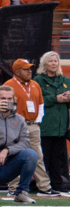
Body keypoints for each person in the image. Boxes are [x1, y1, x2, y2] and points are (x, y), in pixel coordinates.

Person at [1, 57, 57, 196]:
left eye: (30, 69)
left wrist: (37, 121)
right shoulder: (9, 86)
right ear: (17, 71)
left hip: (33, 125)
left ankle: (44, 187)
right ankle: (13, 188)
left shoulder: (35, 84)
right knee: (15, 156)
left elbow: (40, 104)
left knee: (38, 156)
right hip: (16, 126)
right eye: (26, 69)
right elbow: (6, 108)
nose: (29, 71)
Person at [35, 51, 70, 193]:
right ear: (44, 63)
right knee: (44, 158)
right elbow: (39, 99)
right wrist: (56, 98)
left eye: (56, 61)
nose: (54, 63)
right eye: (51, 61)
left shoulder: (65, 80)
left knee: (58, 158)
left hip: (61, 127)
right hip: (46, 125)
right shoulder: (38, 80)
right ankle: (42, 185)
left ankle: (58, 184)